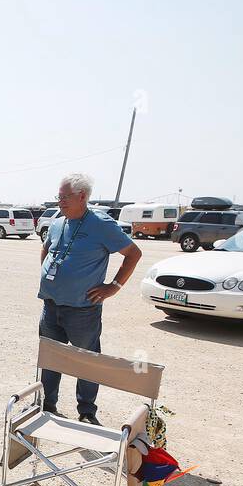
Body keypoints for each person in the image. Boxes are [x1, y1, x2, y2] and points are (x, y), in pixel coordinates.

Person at [37, 173, 143, 425]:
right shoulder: (57, 222)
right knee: (51, 358)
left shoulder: (101, 224)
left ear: (82, 196)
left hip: (82, 310)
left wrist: (113, 287)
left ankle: (86, 411)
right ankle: (46, 404)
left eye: (64, 197)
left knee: (86, 361)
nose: (59, 202)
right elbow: (46, 247)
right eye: (58, 196)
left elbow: (133, 253)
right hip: (51, 305)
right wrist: (50, 273)